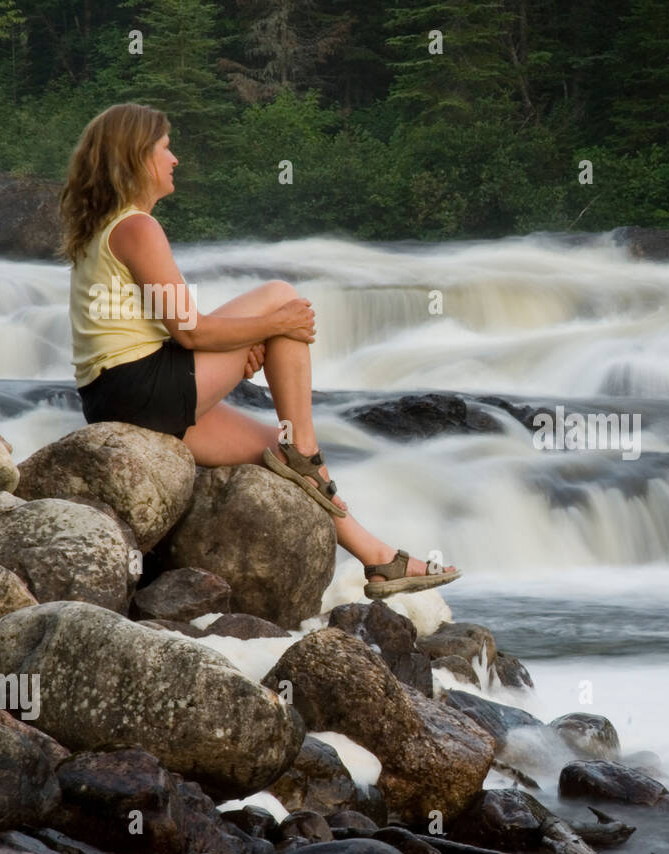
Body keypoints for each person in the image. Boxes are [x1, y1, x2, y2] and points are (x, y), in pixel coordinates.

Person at [57, 102, 458, 598]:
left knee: (273, 444)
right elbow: (192, 333)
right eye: (165, 148)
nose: (175, 158)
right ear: (136, 156)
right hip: (143, 388)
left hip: (113, 396)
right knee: (281, 297)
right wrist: (272, 326)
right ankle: (304, 446)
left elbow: (172, 334)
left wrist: (249, 340)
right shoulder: (138, 227)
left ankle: (377, 559)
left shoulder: (107, 228)